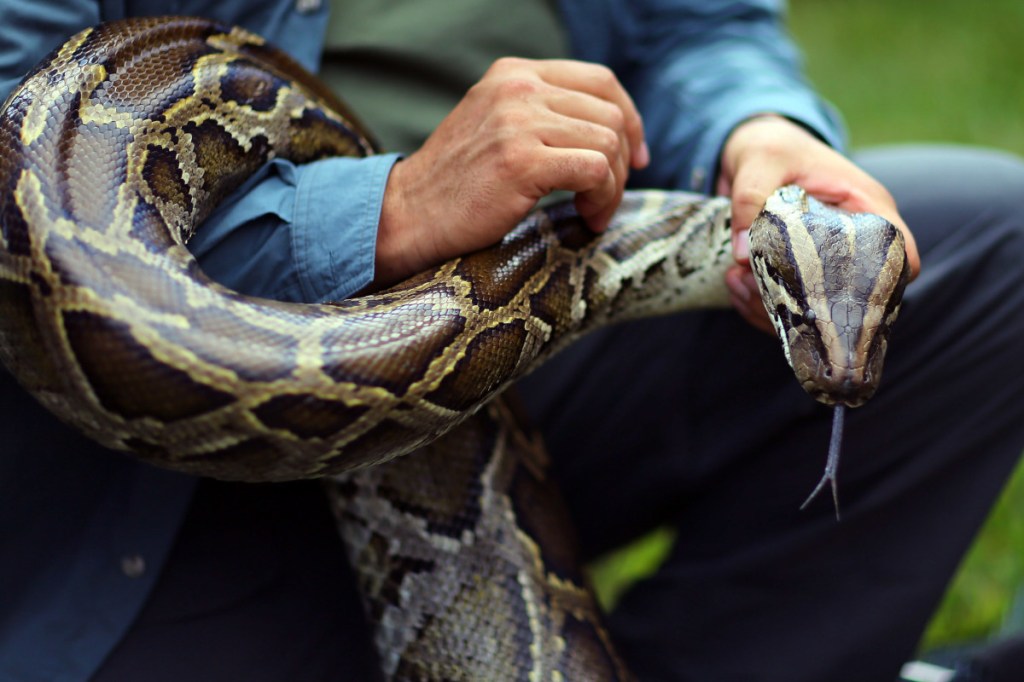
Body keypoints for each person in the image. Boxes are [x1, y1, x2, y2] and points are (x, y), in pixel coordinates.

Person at [0, 0, 1021, 680]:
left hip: (520, 312)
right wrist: (394, 207)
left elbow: (701, 27)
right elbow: (23, 164)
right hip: (148, 474)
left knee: (996, 244)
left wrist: (756, 127)